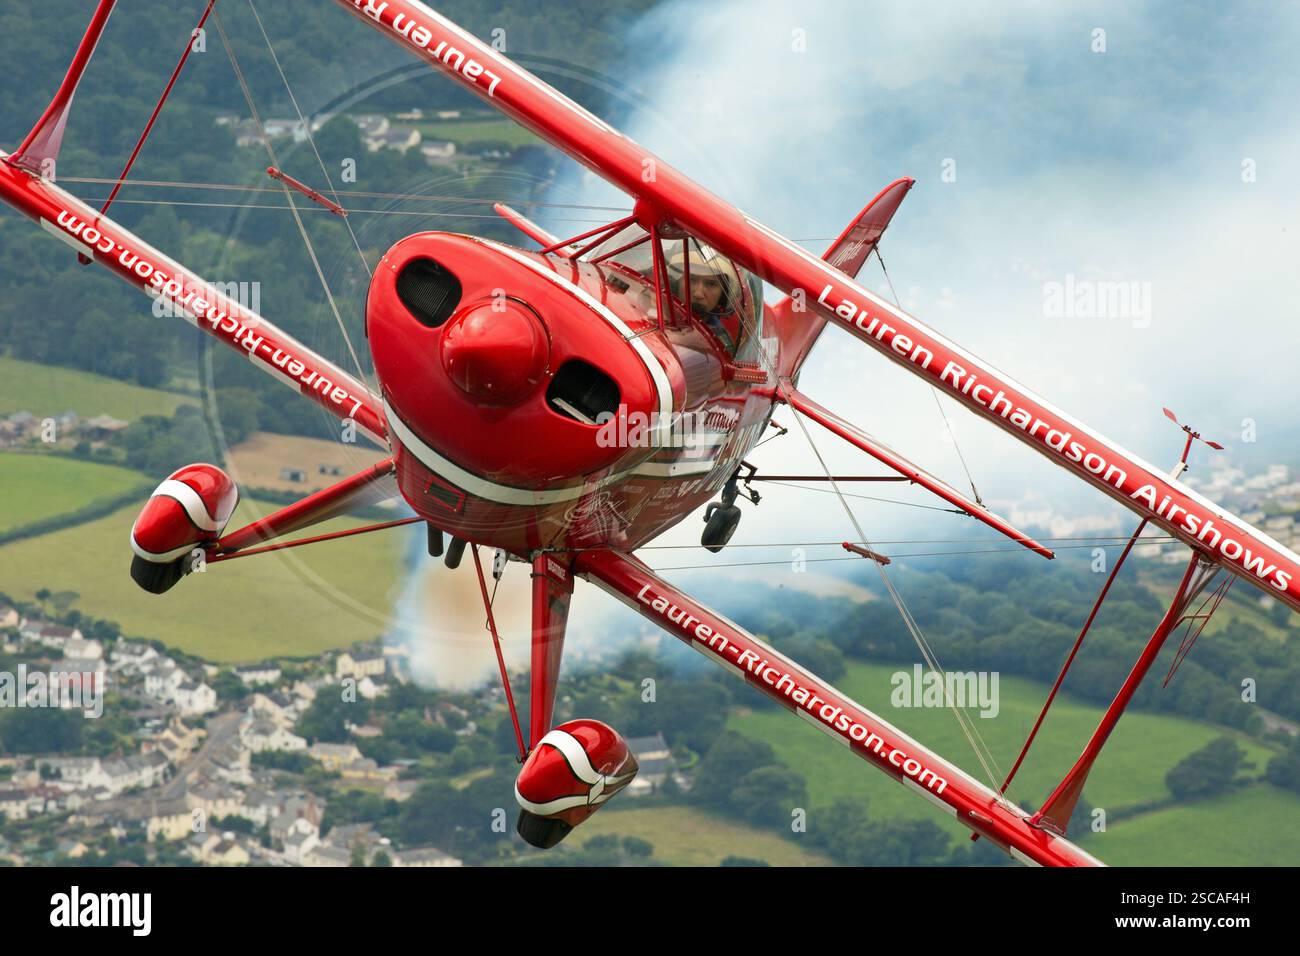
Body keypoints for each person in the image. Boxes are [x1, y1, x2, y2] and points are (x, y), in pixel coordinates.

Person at [670, 244, 746, 355]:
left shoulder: (721, 344)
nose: (698, 294)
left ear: (723, 296)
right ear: (675, 283)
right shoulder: (648, 308)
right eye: (691, 279)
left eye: (711, 284)